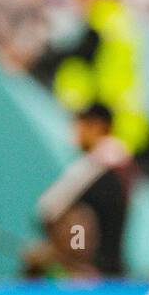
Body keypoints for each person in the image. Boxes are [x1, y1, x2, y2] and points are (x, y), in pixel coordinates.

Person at [23, 103, 132, 278]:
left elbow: (48, 210)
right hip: (107, 270)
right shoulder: (122, 168)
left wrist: (55, 253)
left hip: (89, 272)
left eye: (81, 125)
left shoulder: (99, 167)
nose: (75, 132)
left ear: (97, 126)